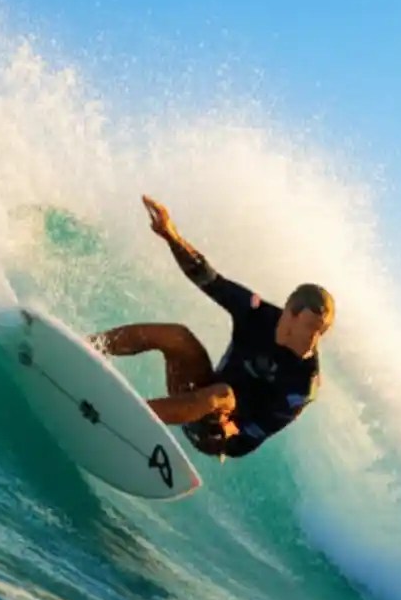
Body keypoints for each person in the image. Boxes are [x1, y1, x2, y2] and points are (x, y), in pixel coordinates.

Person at [91, 195, 335, 459]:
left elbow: (259, 432)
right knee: (177, 335)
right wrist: (171, 236)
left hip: (218, 434)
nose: (313, 342)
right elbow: (209, 278)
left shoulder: (304, 382)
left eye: (320, 333)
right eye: (311, 329)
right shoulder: (258, 315)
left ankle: (120, 415)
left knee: (223, 394)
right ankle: (88, 346)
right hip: (193, 395)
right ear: (290, 313)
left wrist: (230, 432)